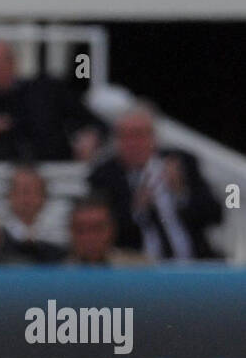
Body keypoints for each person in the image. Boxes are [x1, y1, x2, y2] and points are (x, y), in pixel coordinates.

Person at [88, 106, 222, 261]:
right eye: (124, 136)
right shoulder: (104, 175)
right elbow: (104, 233)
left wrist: (180, 193)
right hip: (136, 269)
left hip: (194, 263)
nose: (132, 143)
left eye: (139, 135)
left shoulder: (181, 162)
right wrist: (137, 208)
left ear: (154, 137)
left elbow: (216, 215)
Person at [0, 163, 67, 263]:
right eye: (20, 191)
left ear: (44, 196)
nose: (26, 199)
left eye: (32, 191)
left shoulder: (62, 232)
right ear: (9, 196)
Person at [64, 196, 149, 268]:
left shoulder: (140, 268)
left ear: (112, 230)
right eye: (81, 230)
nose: (90, 237)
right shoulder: (59, 274)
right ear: (71, 232)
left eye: (97, 229)